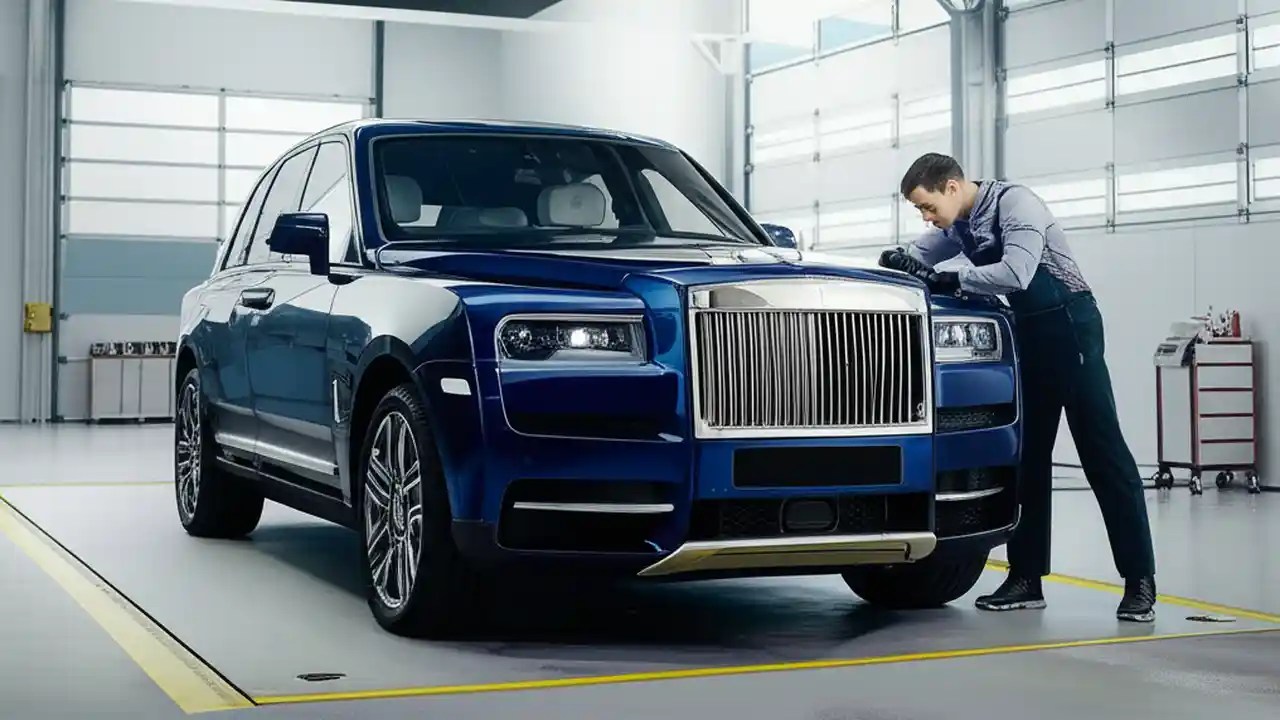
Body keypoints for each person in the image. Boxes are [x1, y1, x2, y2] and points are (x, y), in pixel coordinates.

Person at [882, 152, 1157, 622]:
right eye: (919, 212)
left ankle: (1140, 581)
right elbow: (920, 257)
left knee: (1102, 452)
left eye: (928, 207)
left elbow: (1017, 273)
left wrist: (951, 277)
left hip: (1070, 325)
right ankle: (1026, 578)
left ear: (952, 187)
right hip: (1027, 331)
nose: (927, 218)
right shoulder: (959, 223)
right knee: (1028, 457)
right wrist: (896, 261)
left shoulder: (1016, 205)